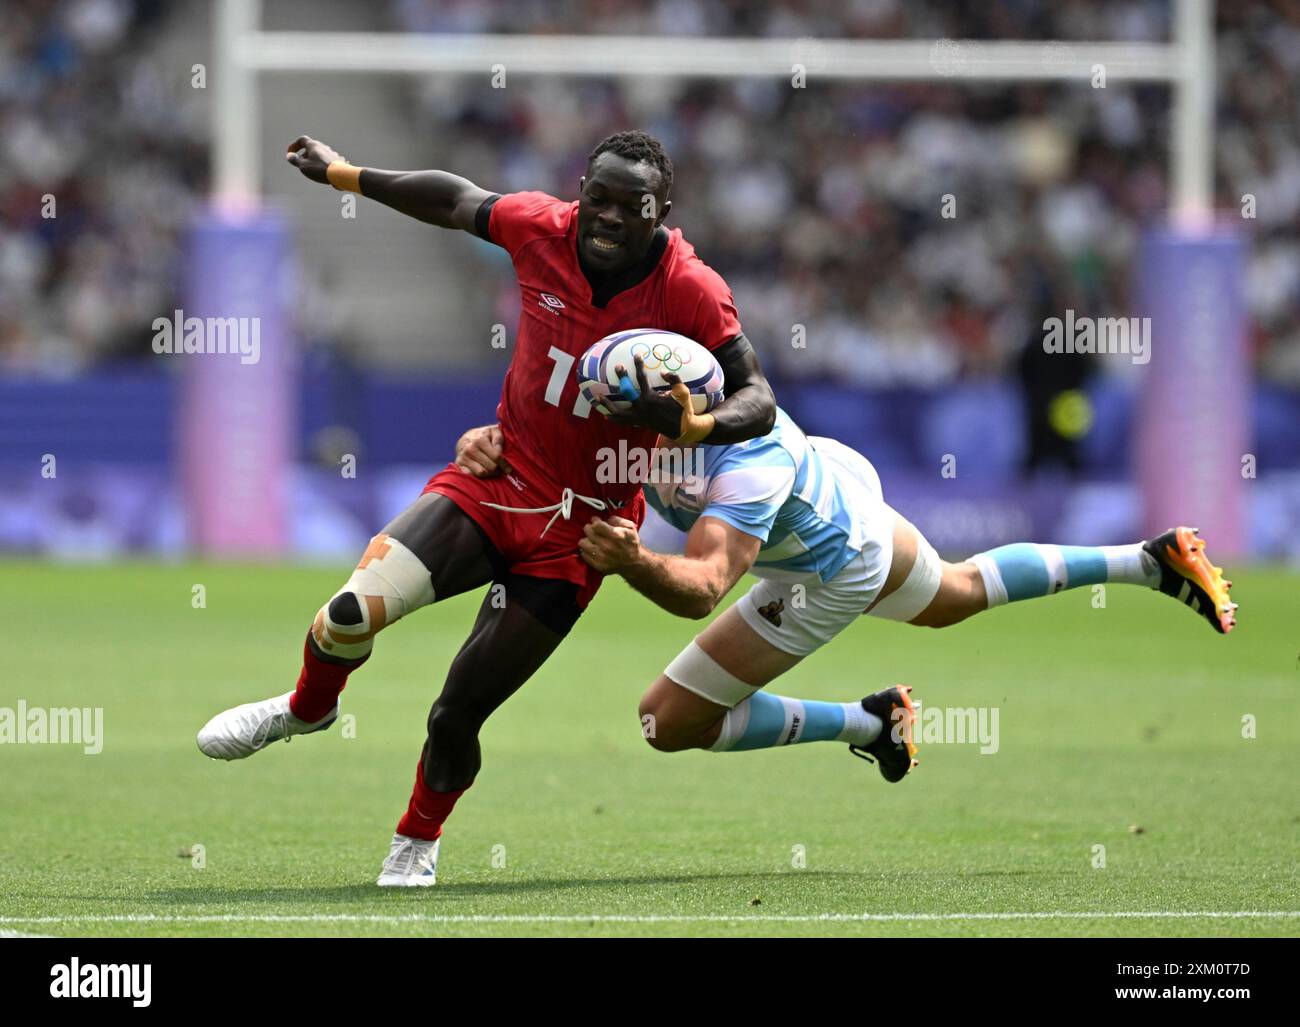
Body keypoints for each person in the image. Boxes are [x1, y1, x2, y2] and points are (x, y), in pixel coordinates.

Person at [195, 130, 777, 887]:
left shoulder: (691, 289)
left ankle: (415, 840)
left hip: (584, 532)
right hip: (497, 479)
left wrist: (700, 425)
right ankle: (307, 708)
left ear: (660, 211)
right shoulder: (541, 228)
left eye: (627, 206)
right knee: (346, 613)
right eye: (593, 197)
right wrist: (346, 173)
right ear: (580, 190)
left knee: (455, 712)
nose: (603, 217)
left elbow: (757, 398)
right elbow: (455, 199)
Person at [455, 412, 1237, 780]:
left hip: (825, 567)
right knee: (956, 591)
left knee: (666, 720)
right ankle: (1150, 559)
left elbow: (700, 589)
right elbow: (546, 436)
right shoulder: (646, 412)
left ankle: (861, 722)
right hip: (834, 487)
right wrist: (489, 440)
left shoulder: (738, 464)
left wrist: (632, 561)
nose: (620, 428)